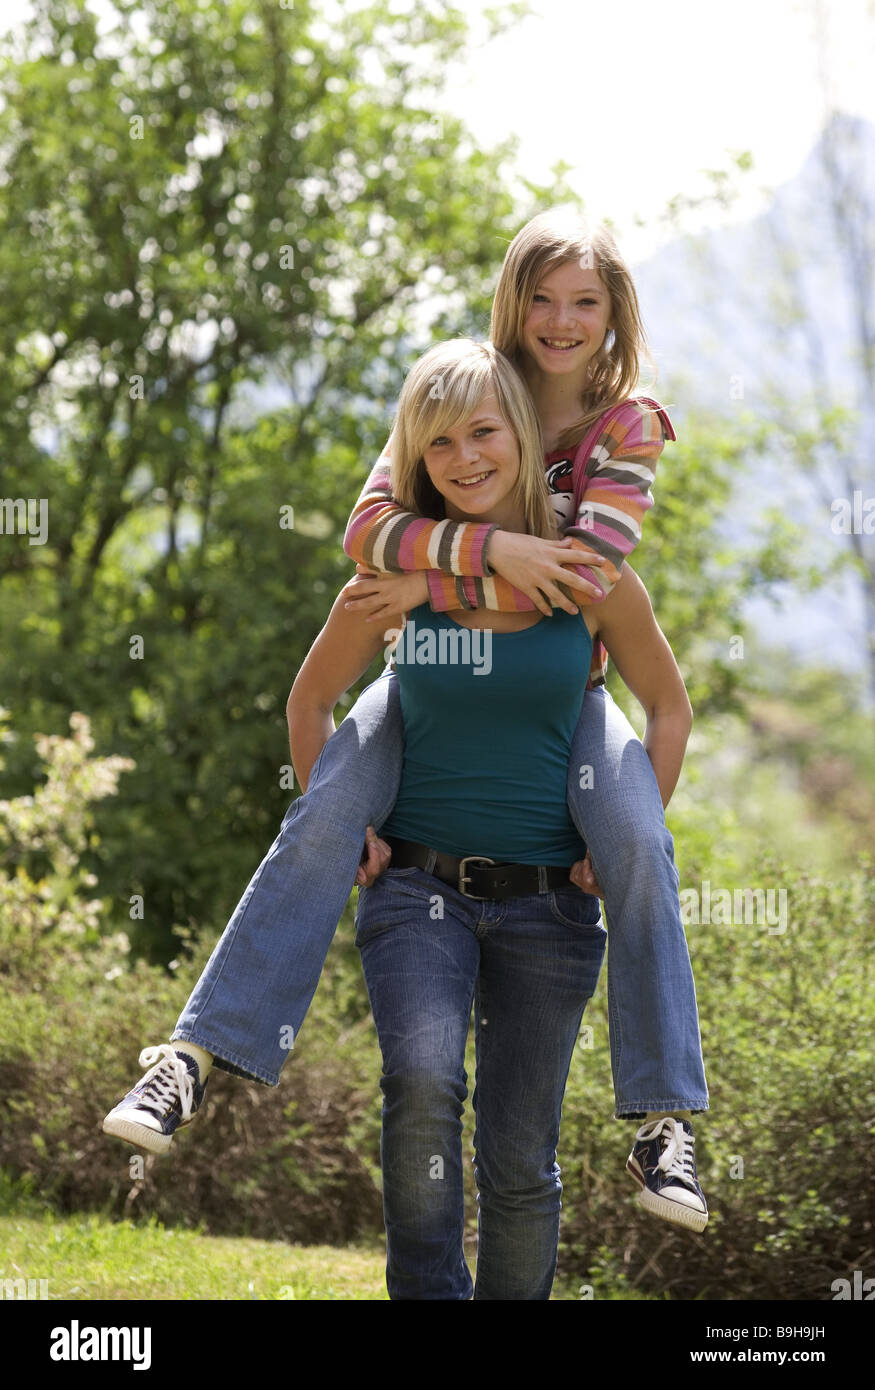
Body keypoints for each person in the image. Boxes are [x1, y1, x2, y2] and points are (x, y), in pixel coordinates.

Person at [103, 208, 709, 1231]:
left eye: (584, 302)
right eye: (541, 299)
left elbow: (587, 574)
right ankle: (189, 1054)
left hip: (565, 688)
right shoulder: (464, 391)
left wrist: (436, 583)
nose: (560, 320)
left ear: (613, 316)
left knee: (642, 843)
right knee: (326, 806)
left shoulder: (624, 424)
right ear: (509, 304)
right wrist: (471, 562)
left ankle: (662, 1117)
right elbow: (366, 529)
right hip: (420, 677)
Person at [291, 338, 703, 1299]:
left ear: (521, 437)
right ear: (416, 461)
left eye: (482, 433)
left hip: (550, 908)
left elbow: (670, 709)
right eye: (438, 446)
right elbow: (308, 701)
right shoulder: (391, 580)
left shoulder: (586, 577)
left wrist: (628, 830)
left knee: (520, 1158)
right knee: (424, 1090)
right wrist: (344, 819)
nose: (464, 458)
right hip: (416, 893)